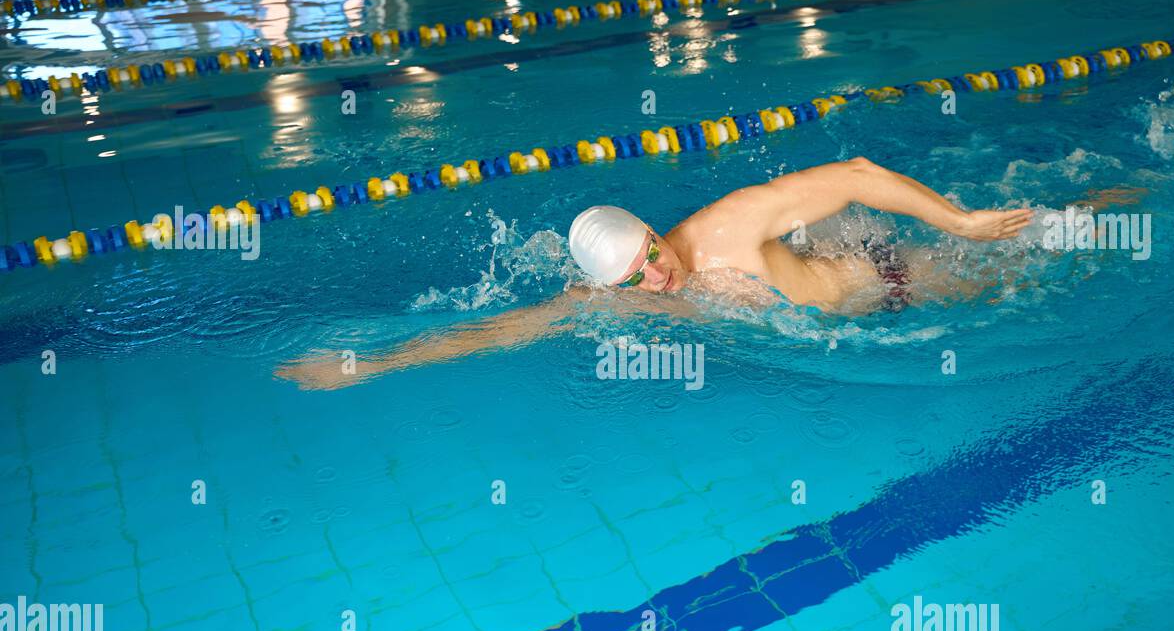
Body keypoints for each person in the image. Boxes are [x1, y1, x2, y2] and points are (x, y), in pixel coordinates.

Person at [277, 157, 1032, 390]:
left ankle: (1116, 197)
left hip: (890, 282)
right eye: (635, 280)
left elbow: (859, 173)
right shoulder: (622, 301)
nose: (657, 281)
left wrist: (960, 223)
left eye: (653, 257)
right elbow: (502, 329)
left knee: (1047, 246)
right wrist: (370, 363)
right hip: (841, 337)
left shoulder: (728, 224)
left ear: (650, 229)